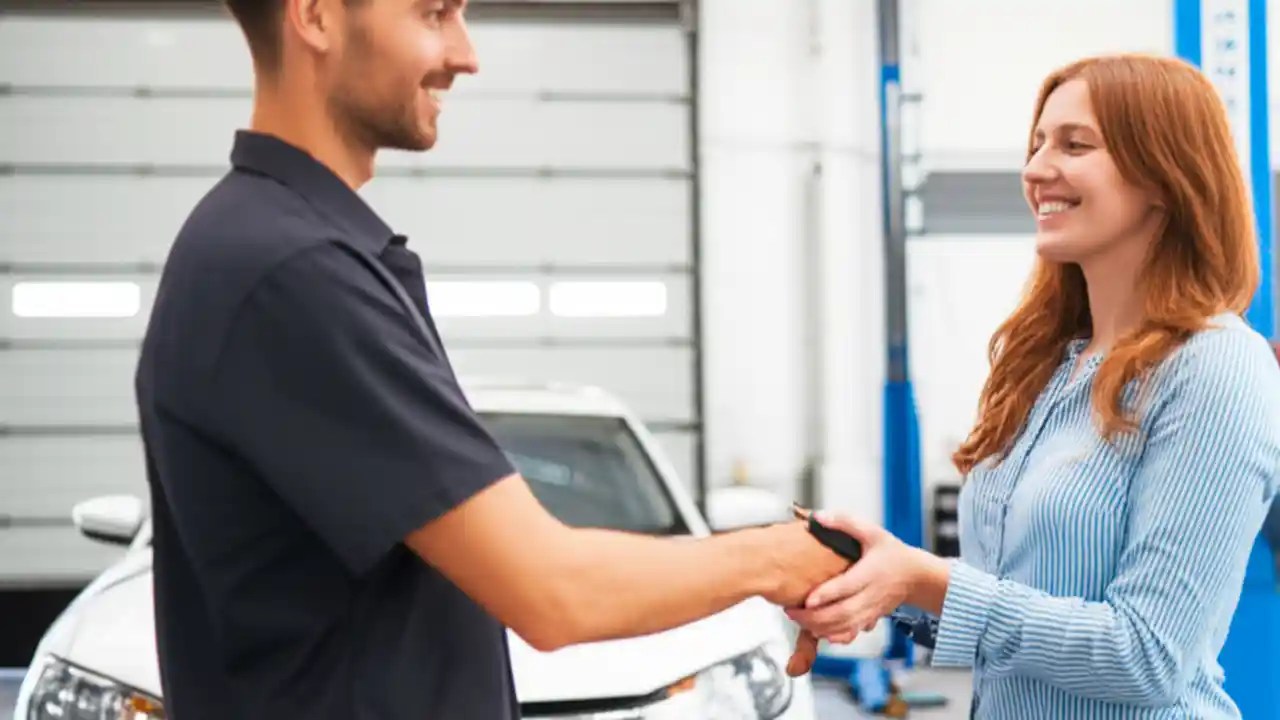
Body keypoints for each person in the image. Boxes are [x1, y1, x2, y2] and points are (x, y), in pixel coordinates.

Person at [132, 1, 847, 718]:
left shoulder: (272, 248)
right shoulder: (293, 272)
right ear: (316, 15)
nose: (466, 54)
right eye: (434, 13)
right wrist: (778, 557)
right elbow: (554, 591)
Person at [786, 53, 1280, 718]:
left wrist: (931, 580)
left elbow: (1148, 656)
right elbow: (1017, 613)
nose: (1036, 169)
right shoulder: (1049, 367)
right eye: (1037, 144)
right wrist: (881, 583)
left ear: (1166, 175)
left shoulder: (1215, 368)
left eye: (1075, 145)